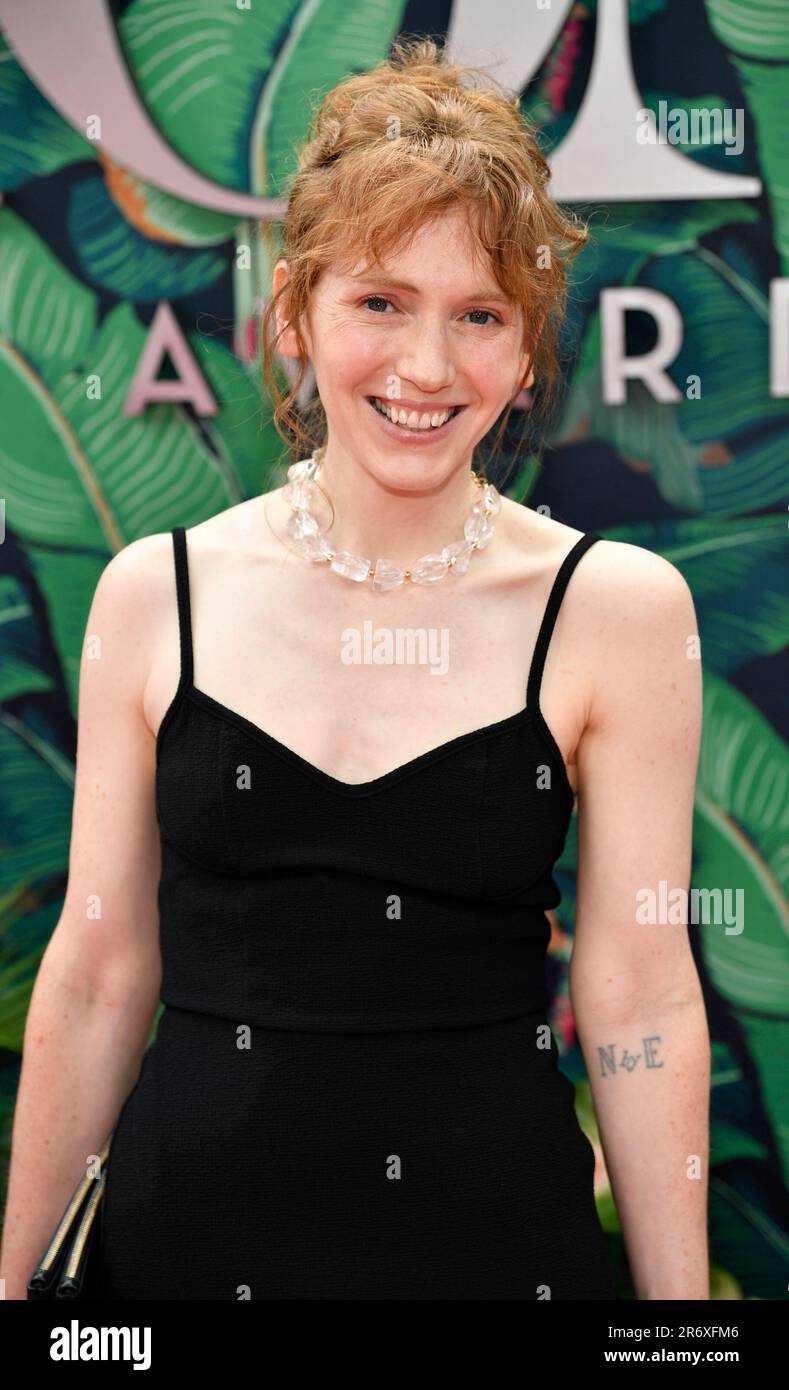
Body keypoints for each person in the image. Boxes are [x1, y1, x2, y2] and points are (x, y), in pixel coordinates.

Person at [1, 37, 709, 1301]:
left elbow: (643, 997)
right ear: (294, 314)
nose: (428, 370)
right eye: (381, 301)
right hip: (178, 1267)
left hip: (495, 1259)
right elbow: (102, 969)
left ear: (530, 350)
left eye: (480, 316)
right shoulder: (154, 597)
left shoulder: (617, 611)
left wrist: (678, 1332)